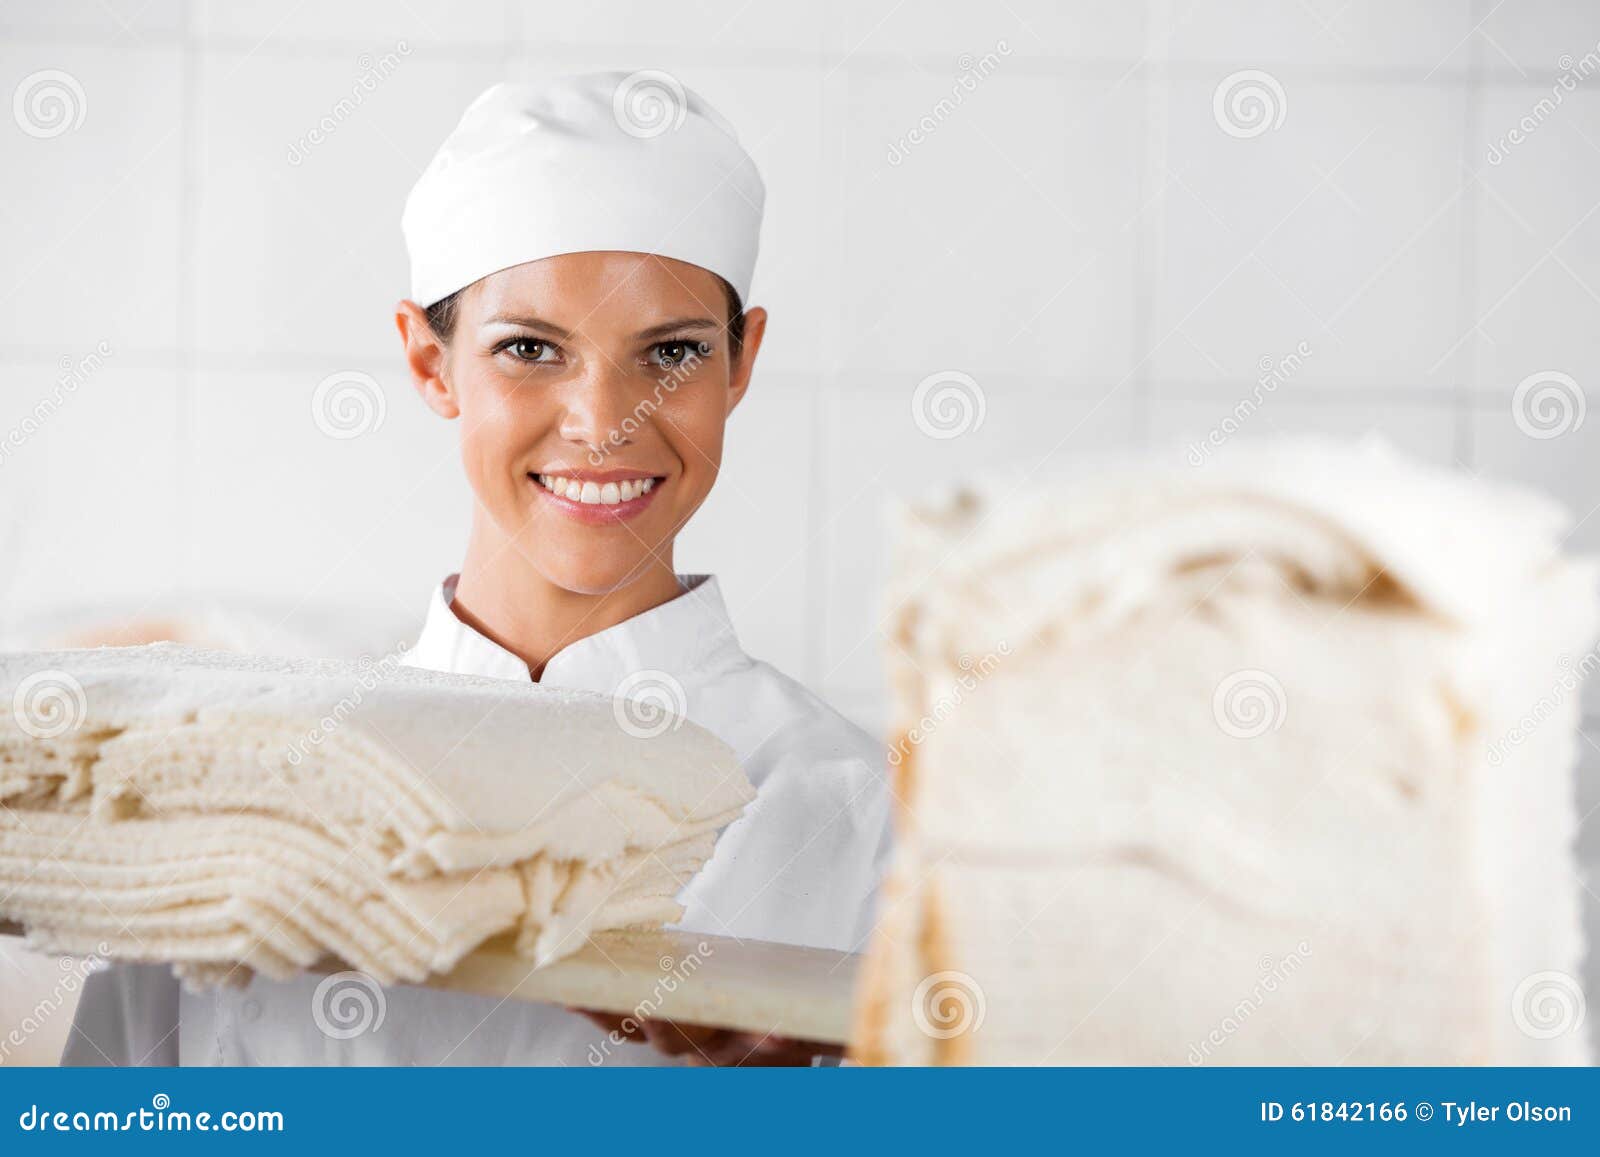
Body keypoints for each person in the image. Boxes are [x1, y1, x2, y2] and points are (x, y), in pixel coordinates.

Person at [62, 73, 892, 1068]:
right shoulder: (246, 801)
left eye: (671, 352)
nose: (602, 421)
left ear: (739, 362)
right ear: (430, 362)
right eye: (530, 348)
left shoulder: (864, 815)